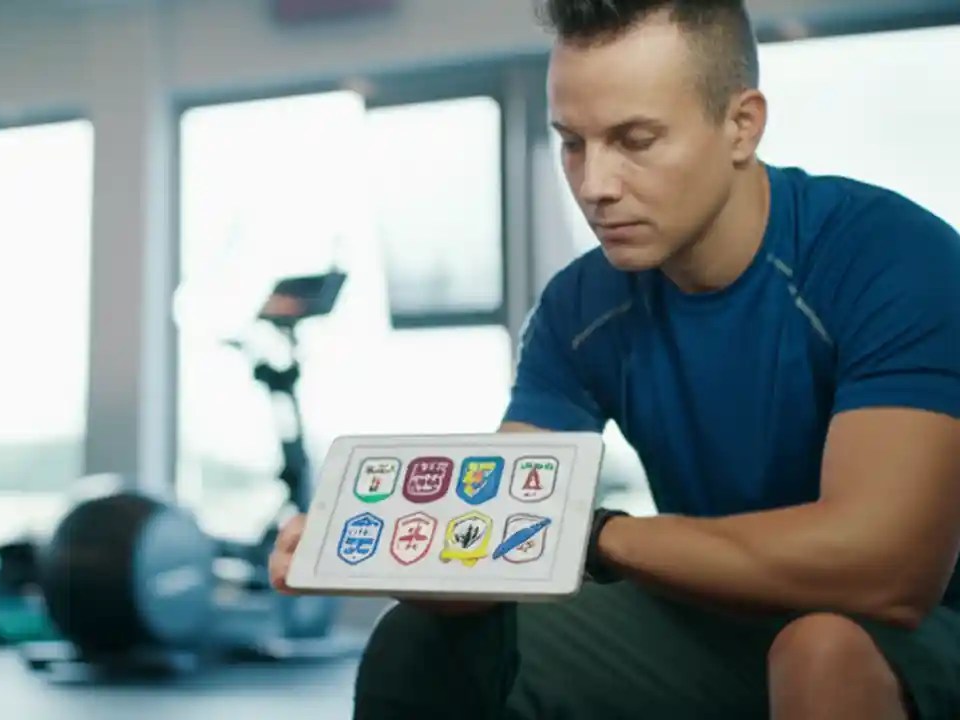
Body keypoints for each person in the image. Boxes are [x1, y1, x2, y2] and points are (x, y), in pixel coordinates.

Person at [267, 0, 960, 718]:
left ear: (741, 125)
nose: (594, 184)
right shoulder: (581, 306)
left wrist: (595, 535)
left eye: (635, 140)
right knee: (418, 642)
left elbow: (887, 571)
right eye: (573, 143)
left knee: (821, 649)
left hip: (918, 628)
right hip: (719, 614)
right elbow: (505, 536)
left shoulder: (890, 256)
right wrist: (377, 545)